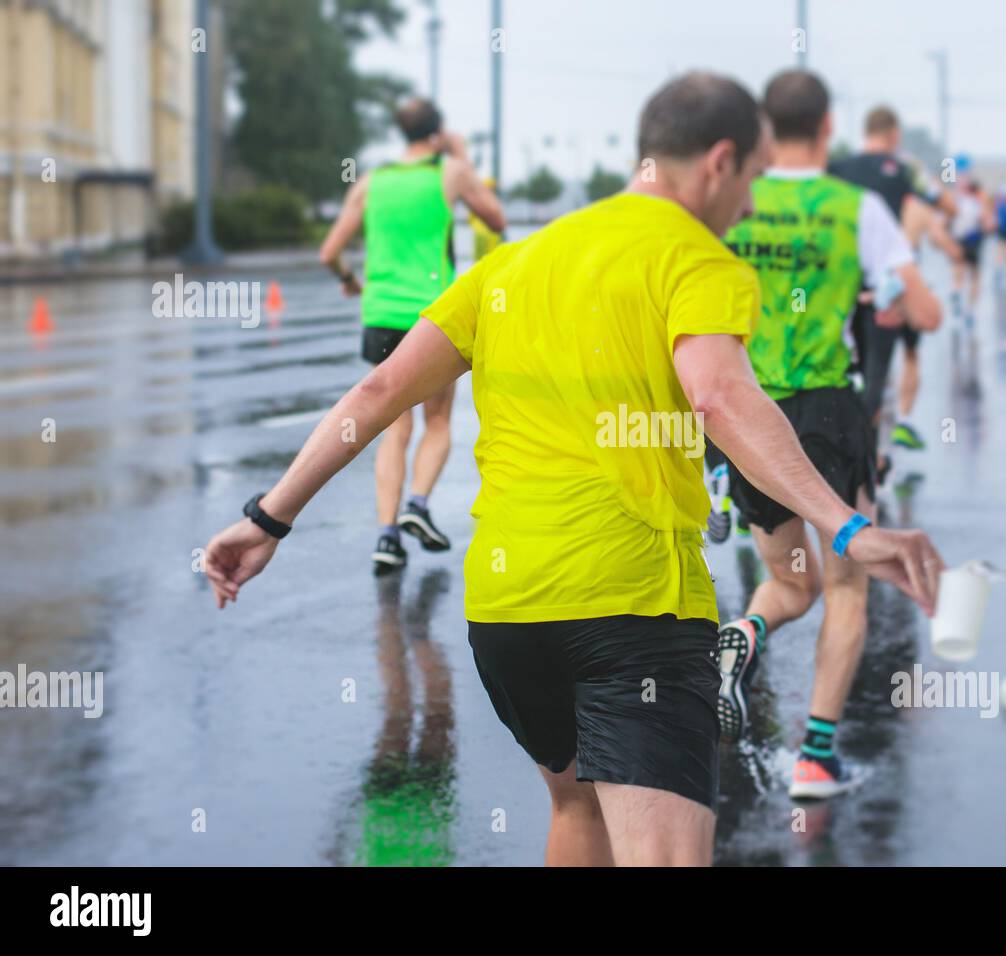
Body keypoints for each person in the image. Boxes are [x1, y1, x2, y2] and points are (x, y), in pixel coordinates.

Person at [204, 72, 944, 866]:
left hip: (508, 611)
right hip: (634, 612)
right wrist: (850, 525)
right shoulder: (697, 260)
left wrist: (267, 516)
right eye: (756, 179)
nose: (754, 204)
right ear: (721, 162)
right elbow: (722, 397)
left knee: (578, 813)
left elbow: (380, 390)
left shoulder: (518, 260)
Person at [720, 72, 942, 798]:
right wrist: (885, 298)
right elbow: (927, 312)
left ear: (764, 127)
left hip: (750, 412)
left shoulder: (733, 204)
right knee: (846, 587)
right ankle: (815, 758)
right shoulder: (857, 209)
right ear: (826, 128)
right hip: (828, 411)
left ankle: (742, 638)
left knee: (790, 582)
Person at [319, 98, 505, 574]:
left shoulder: (370, 182)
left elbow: (329, 252)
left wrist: (347, 278)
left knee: (393, 427)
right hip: (432, 315)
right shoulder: (448, 174)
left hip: (381, 313)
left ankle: (386, 536)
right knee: (438, 421)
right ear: (437, 133)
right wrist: (462, 158)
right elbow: (496, 218)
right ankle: (417, 506)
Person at [830, 105, 954, 455]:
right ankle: (883, 441)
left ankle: (844, 445)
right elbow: (946, 204)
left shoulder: (837, 170)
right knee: (886, 367)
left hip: (844, 286)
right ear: (894, 134)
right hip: (891, 284)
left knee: (844, 366)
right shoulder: (903, 169)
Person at [949, 177, 992, 320]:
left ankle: (956, 290)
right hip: (973, 242)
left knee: (958, 270)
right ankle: (970, 310)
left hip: (958, 240)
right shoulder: (977, 203)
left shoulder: (957, 202)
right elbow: (987, 224)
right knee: (975, 277)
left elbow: (946, 220)